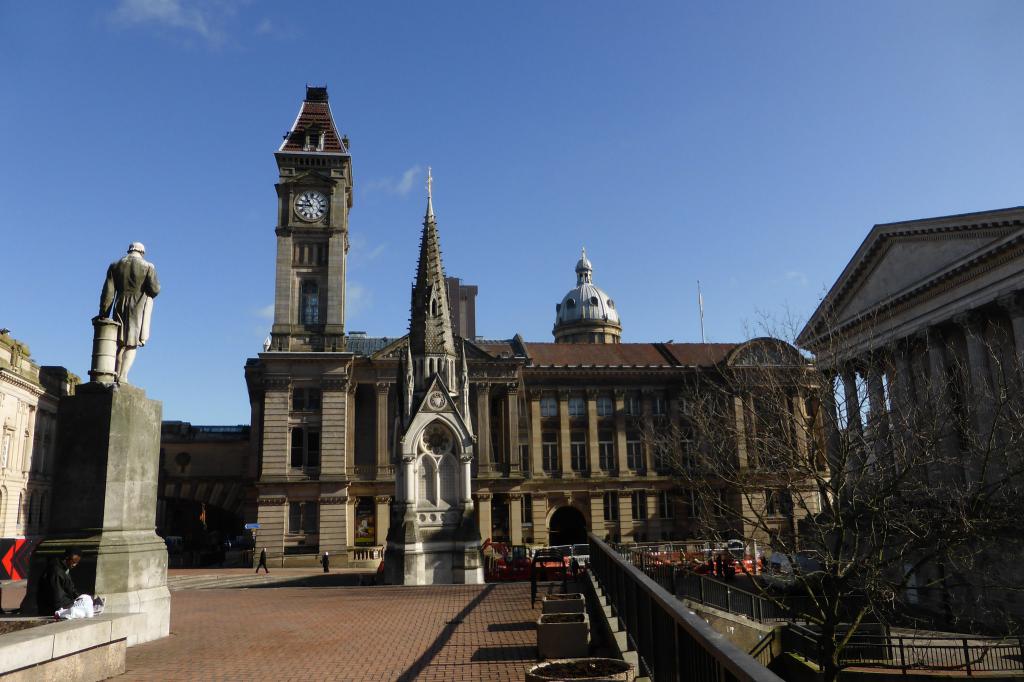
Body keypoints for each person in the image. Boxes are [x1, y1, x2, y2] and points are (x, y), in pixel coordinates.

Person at [98, 242, 160, 384]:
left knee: (119, 342)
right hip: (137, 306)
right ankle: (123, 376)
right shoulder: (148, 266)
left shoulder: (115, 265)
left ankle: (115, 374)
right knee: (131, 343)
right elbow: (155, 289)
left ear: (129, 250)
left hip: (120, 304)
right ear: (142, 253)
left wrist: (104, 313)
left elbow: (108, 293)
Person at [38, 548, 82, 616]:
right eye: (73, 562)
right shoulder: (56, 572)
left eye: (77, 562)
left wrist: (80, 598)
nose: (74, 565)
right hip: (51, 608)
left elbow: (70, 588)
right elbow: (57, 597)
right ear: (67, 558)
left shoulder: (64, 568)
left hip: (60, 603)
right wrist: (72, 604)